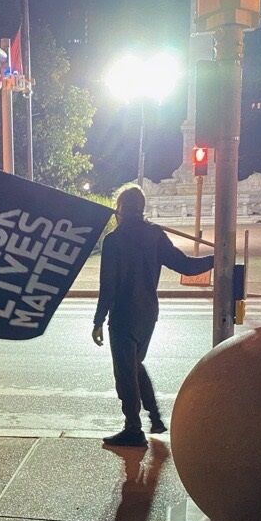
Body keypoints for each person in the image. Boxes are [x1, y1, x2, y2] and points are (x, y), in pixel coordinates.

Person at [92, 185, 214, 447]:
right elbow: (186, 266)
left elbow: (108, 286)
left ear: (120, 209)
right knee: (134, 365)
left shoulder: (113, 241)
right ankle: (155, 417)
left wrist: (98, 320)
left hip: (123, 315)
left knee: (126, 373)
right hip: (148, 313)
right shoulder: (155, 235)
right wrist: (216, 258)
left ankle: (133, 428)